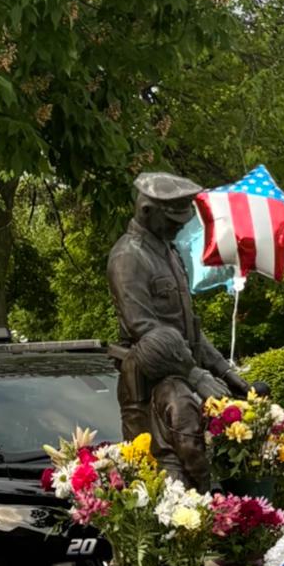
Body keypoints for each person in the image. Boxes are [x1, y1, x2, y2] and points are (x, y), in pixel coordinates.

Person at [106, 172, 250, 484]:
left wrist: (225, 372)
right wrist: (196, 375)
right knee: (171, 488)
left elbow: (191, 331)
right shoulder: (128, 257)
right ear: (146, 212)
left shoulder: (168, 253)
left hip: (180, 379)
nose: (181, 226)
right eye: (173, 220)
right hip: (150, 387)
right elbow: (145, 331)